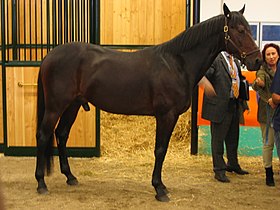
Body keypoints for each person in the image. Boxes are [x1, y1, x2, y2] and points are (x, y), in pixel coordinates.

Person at [201, 51, 249, 183]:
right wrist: (206, 85)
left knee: (233, 138)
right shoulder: (214, 58)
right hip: (219, 105)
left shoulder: (235, 60)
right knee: (218, 139)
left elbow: (237, 78)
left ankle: (233, 164)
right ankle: (219, 170)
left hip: (234, 103)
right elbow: (203, 75)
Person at [252, 43, 280, 186]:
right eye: (268, 54)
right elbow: (257, 84)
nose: (271, 57)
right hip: (267, 113)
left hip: (279, 113)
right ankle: (269, 173)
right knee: (268, 143)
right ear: (264, 57)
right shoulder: (262, 70)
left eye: (273, 54)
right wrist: (259, 83)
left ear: (278, 54)